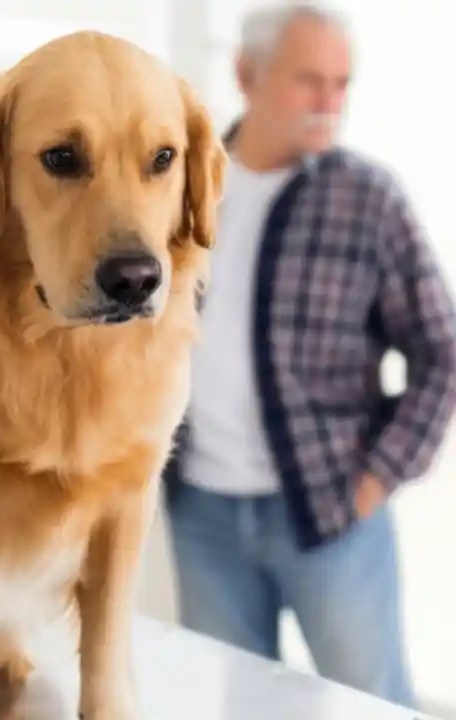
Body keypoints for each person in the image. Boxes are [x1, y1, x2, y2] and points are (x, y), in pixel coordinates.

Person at [163, 2, 456, 708]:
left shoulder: (368, 199)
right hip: (201, 512)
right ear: (245, 74)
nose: (331, 104)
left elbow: (442, 354)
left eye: (342, 84)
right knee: (236, 700)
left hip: (330, 513)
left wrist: (378, 478)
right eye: (309, 81)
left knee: (371, 701)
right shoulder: (176, 190)